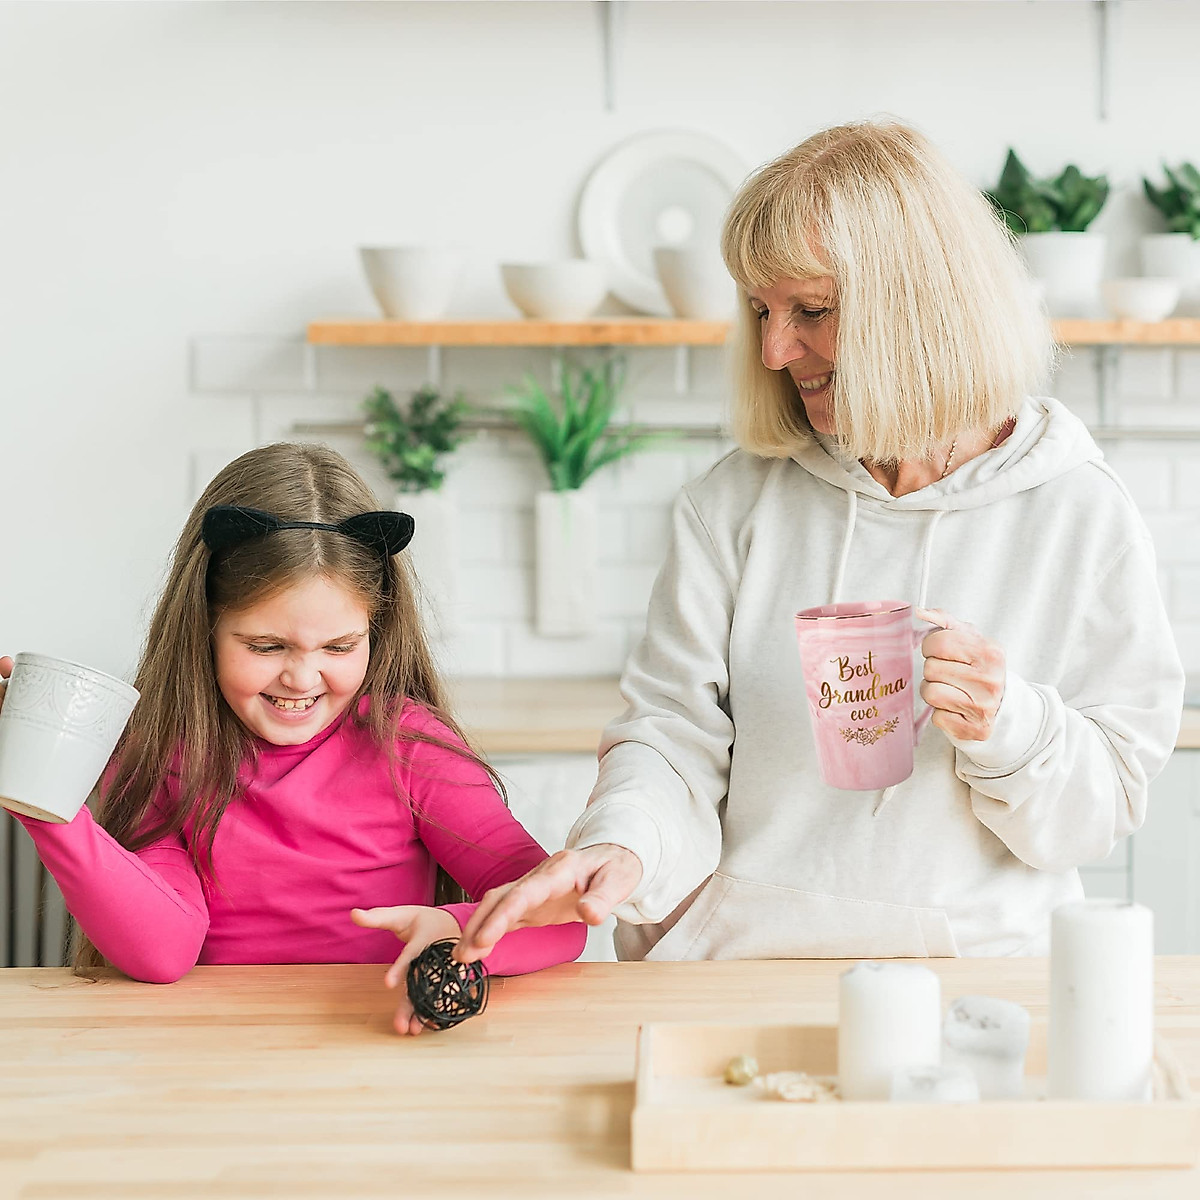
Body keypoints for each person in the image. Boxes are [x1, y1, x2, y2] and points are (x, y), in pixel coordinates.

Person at [454, 119, 1185, 965]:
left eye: (813, 309)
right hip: (732, 967)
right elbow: (671, 735)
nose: (773, 349)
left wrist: (1009, 722)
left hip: (965, 984)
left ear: (923, 304)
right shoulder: (732, 502)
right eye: (761, 310)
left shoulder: (1078, 515)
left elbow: (1100, 810)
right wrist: (623, 846)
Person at [0, 443, 585, 1033]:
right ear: (205, 624)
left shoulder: (409, 746)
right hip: (217, 1054)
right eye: (266, 646)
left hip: (379, 1050)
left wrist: (457, 929)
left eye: (338, 648)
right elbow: (163, 952)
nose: (302, 679)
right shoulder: (166, 753)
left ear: (375, 631)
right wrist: (47, 803)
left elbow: (564, 920)